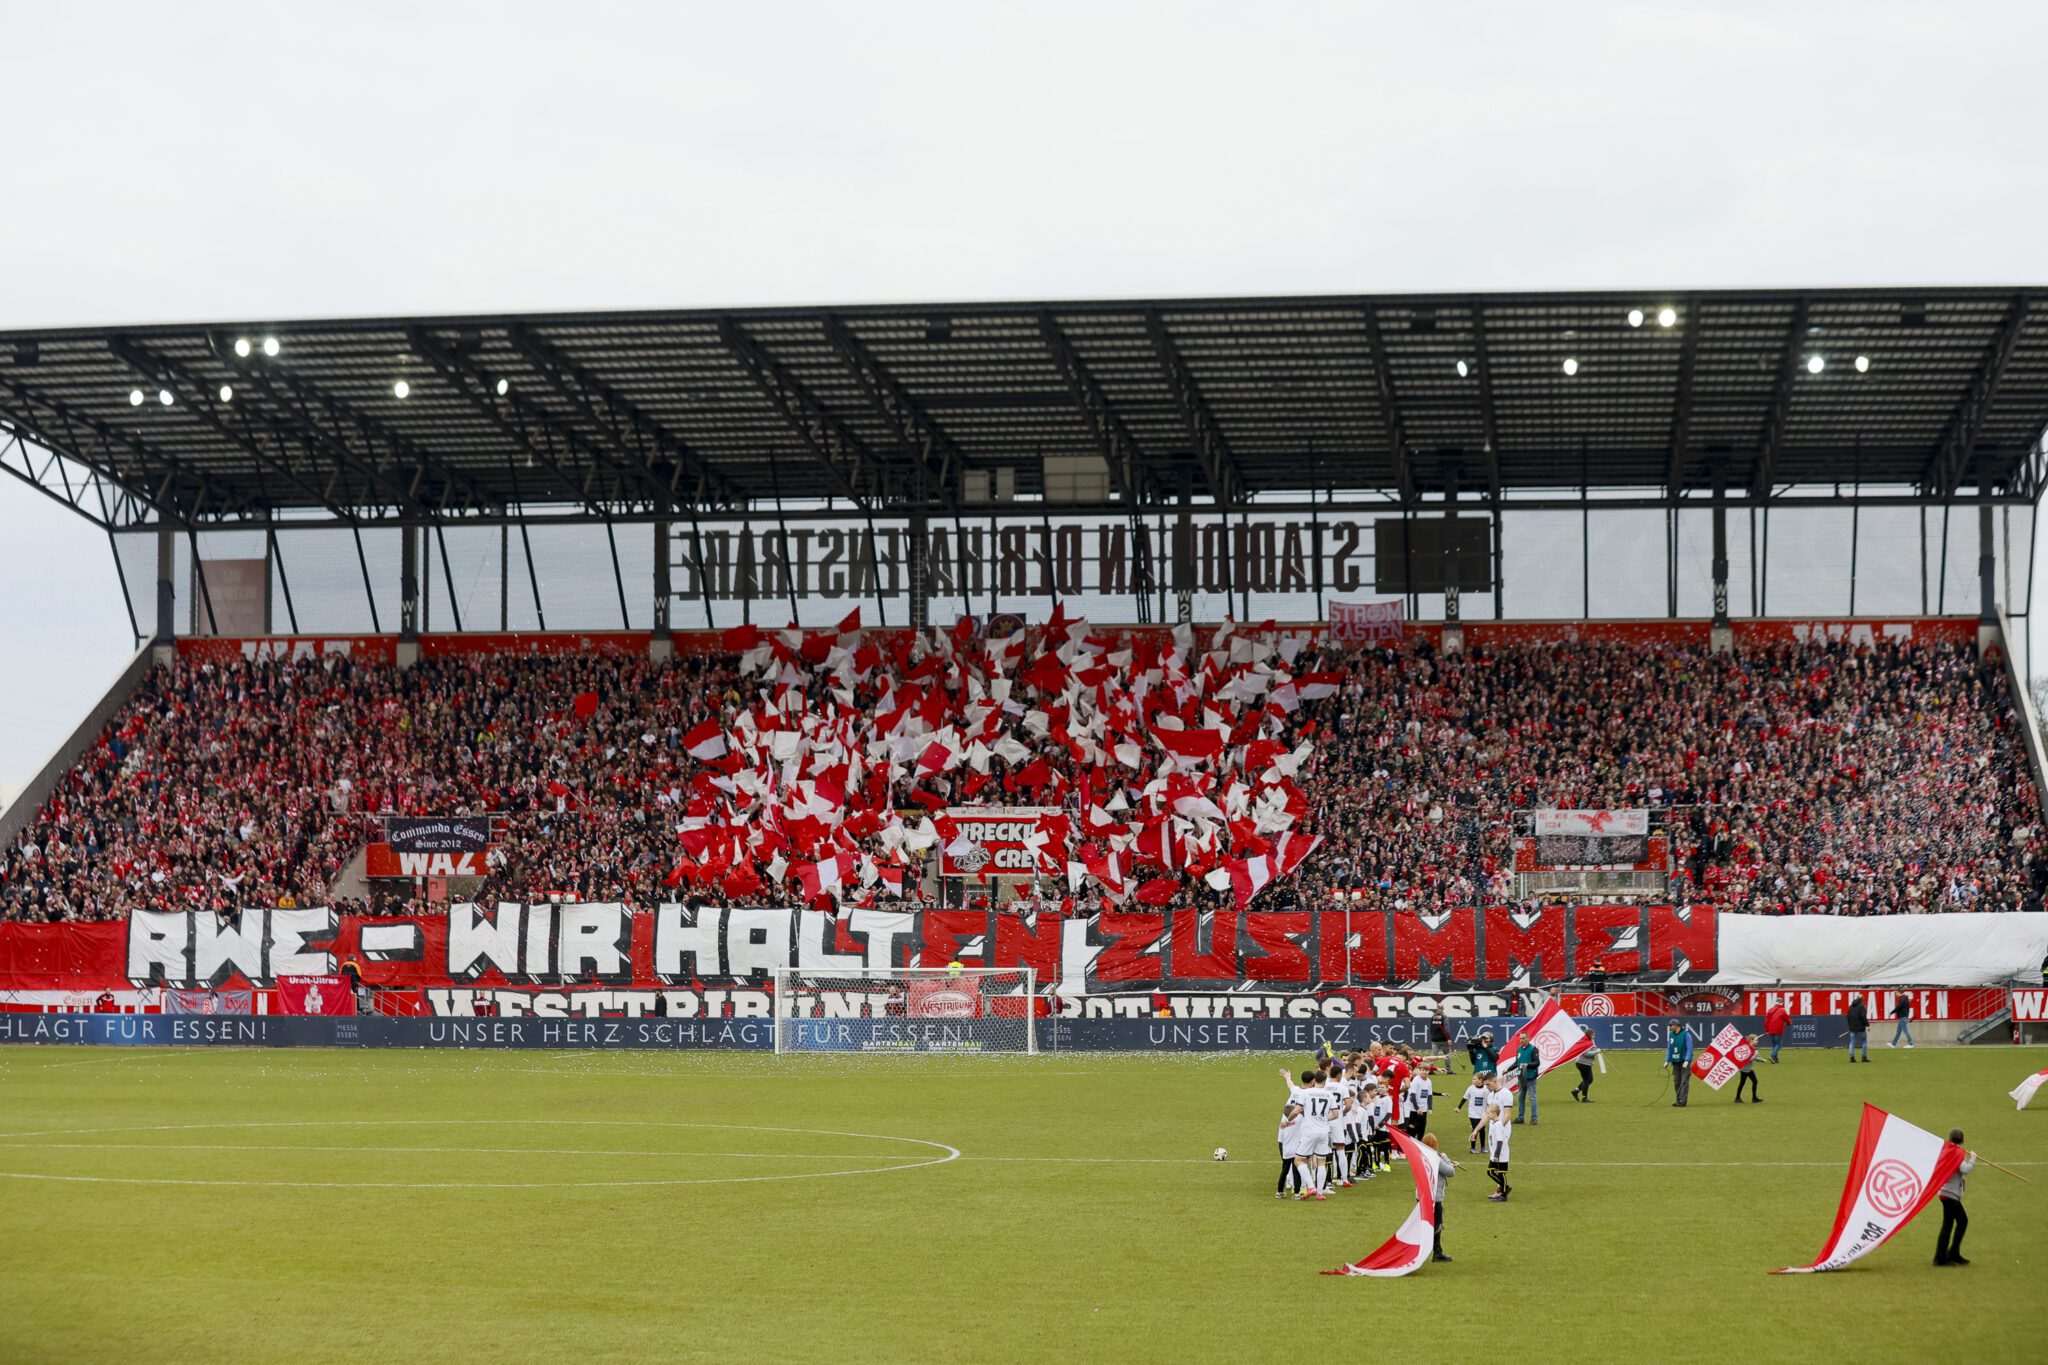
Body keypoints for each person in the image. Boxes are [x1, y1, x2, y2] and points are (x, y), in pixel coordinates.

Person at [1282, 1068, 1333, 1200]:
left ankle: (1311, 1186)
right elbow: (1336, 1114)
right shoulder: (1329, 1094)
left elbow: (1297, 1110)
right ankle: (1320, 1193)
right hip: (1324, 1131)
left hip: (1309, 1131)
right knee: (1321, 1162)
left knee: (1299, 1160)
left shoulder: (1306, 1093)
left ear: (1314, 1080)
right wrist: (1323, 1119)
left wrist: (1288, 1119)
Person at [1934, 1129, 1977, 1266]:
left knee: (1949, 1224)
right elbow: (1964, 1169)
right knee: (1961, 1221)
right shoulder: (1957, 1153)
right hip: (1950, 1194)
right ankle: (1947, 1255)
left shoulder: (1946, 1150)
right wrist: (1972, 1159)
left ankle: (1947, 1254)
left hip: (1944, 1192)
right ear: (1962, 1141)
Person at [1420, 1132, 1457, 1262]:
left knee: (1427, 1225)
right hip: (1434, 1198)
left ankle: (1433, 1250)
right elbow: (1450, 1172)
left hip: (1422, 1196)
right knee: (1437, 1225)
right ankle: (1436, 1251)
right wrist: (1446, 1159)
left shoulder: (1422, 1156)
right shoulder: (1435, 1158)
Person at [1485, 1102, 1513, 1201]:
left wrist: (1496, 1155)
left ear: (1494, 1114)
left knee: (1501, 1173)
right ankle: (1504, 1187)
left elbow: (1500, 1141)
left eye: (1488, 1113)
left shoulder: (1498, 1125)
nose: (1487, 1115)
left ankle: (1504, 1194)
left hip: (1501, 1155)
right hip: (1495, 1154)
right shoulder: (1493, 1123)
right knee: (1490, 1172)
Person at [1275, 1098, 1303, 1199]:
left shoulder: (1282, 1124)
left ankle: (1279, 1191)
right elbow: (1301, 1111)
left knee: (1284, 1171)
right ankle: (1296, 1193)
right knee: (1296, 1172)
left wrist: (1282, 1154)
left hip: (1286, 1151)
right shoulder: (1299, 1119)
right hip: (1297, 1151)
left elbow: (1280, 1141)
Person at [1513, 1035, 1540, 1125]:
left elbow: (1537, 1062)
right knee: (1520, 1098)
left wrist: (1527, 1065)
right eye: (1520, 1038)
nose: (1521, 1040)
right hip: (1521, 1077)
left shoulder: (1533, 1049)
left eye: (1523, 1038)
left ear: (1528, 1038)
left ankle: (1534, 1118)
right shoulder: (1519, 1049)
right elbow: (1517, 1062)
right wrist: (1508, 1069)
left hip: (1530, 1077)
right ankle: (1520, 1118)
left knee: (1532, 1098)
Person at [1665, 1023, 1693, 1106]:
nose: (1670, 1027)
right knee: (1676, 1081)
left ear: (1677, 1026)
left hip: (1684, 1061)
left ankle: (1683, 1100)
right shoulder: (1671, 1035)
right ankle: (1678, 1099)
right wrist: (1667, 1060)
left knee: (1684, 1081)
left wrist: (1687, 1060)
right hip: (1675, 1061)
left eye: (1671, 1025)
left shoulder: (1686, 1035)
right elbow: (1669, 1047)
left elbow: (1689, 1048)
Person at [1462, 1074, 1489, 1154]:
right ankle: (1473, 1148)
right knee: (1475, 1129)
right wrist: (1459, 1107)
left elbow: (1488, 1100)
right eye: (1473, 1079)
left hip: (1482, 1113)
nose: (1472, 1080)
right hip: (1472, 1113)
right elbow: (1465, 1098)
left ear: (1480, 1080)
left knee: (1482, 1130)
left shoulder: (1486, 1089)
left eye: (1474, 1079)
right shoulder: (1470, 1088)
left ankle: (1483, 1147)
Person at [1732, 1035, 1761, 1103]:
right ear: (1751, 1040)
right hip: (1745, 1069)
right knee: (1746, 1082)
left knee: (1751, 1082)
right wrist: (1756, 1054)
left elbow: (1753, 1058)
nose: (1757, 1041)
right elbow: (1749, 1059)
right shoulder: (1748, 1049)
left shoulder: (1752, 1048)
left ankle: (1752, 1098)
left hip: (1748, 1069)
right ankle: (1739, 1098)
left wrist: (1761, 1060)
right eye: (1756, 1040)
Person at [1846, 996, 1871, 1062]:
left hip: (1852, 1028)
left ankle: (1852, 1057)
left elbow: (1848, 1017)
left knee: (1852, 1042)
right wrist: (1867, 1025)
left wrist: (1850, 1026)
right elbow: (1863, 1017)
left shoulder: (1851, 1007)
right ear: (1862, 1000)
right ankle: (1864, 1057)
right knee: (1864, 1041)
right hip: (1861, 1028)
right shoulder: (1861, 1006)